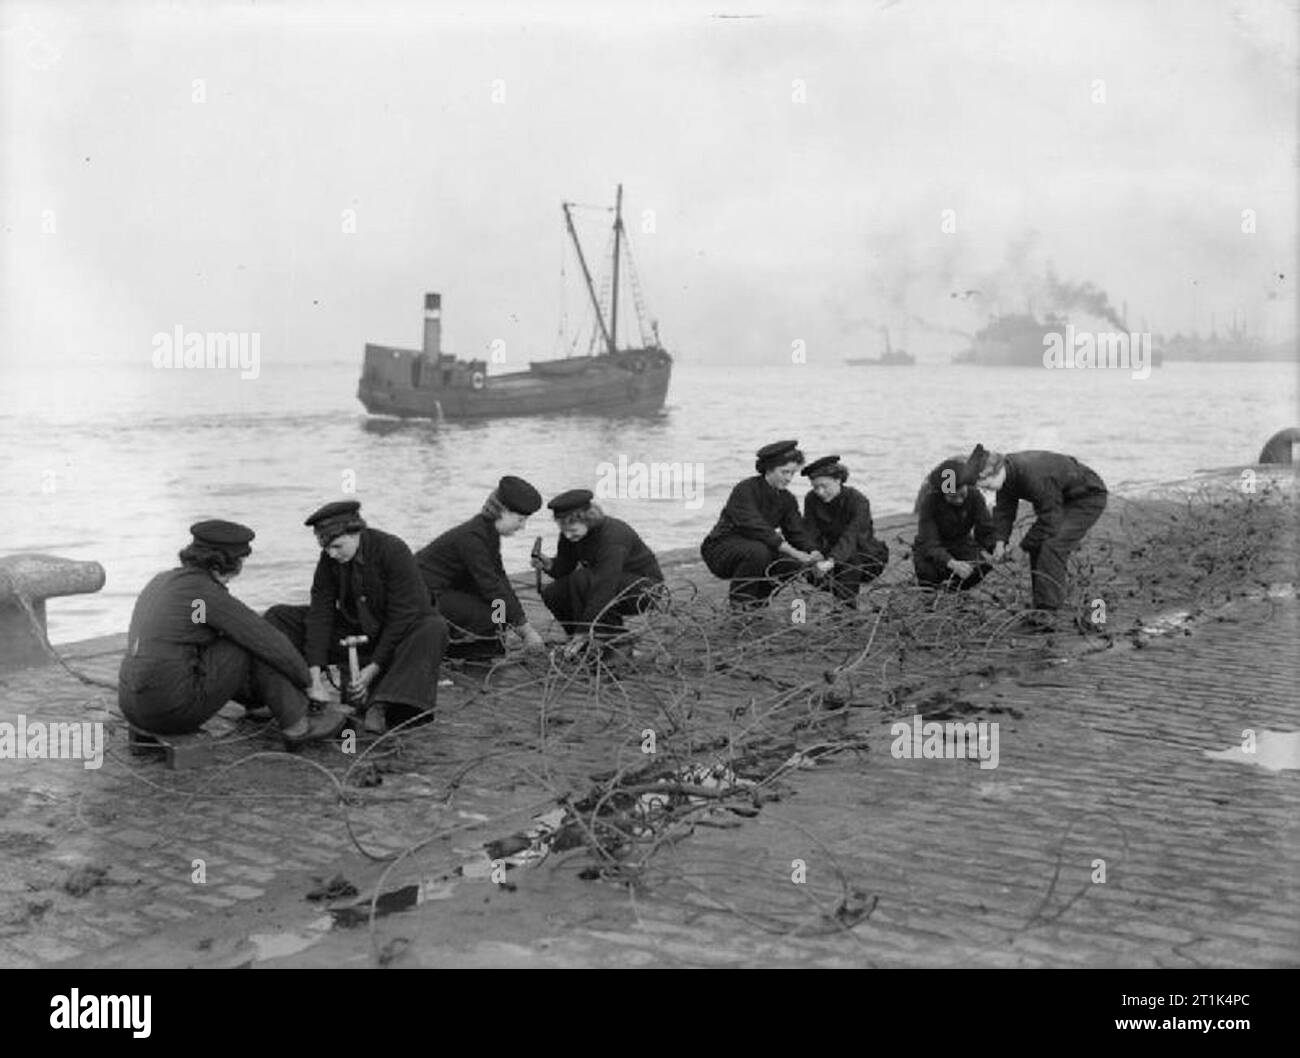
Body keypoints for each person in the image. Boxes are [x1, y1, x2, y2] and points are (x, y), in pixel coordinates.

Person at [118, 520, 345, 748]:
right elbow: (265, 639)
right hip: (170, 712)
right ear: (220, 564)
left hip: (133, 705)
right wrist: (309, 683)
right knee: (249, 641)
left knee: (231, 636)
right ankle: (296, 725)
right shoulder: (203, 592)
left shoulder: (163, 580)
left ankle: (258, 704)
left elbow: (191, 629)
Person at [265, 500, 448, 734]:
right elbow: (320, 612)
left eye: (338, 547)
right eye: (326, 549)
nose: (332, 554)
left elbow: (402, 617)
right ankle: (291, 695)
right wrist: (314, 675)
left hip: (399, 637)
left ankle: (382, 704)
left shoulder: (392, 550)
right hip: (358, 631)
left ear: (356, 533)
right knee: (279, 616)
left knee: (434, 627)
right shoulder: (330, 559)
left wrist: (372, 669)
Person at [969, 445, 1109, 621]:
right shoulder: (1007, 473)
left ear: (996, 471)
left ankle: (1048, 612)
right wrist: (1000, 542)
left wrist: (1022, 548)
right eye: (984, 488)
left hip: (1087, 497)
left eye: (987, 485)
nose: (988, 490)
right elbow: (1004, 511)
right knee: (1038, 544)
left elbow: (1050, 520)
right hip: (1059, 497)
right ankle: (1041, 605)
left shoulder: (1031, 476)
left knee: (1052, 545)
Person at [415, 476, 547, 658]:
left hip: (443, 590)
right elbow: (491, 587)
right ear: (503, 512)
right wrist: (526, 631)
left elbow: (500, 580)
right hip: (422, 596)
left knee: (495, 614)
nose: (523, 527)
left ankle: (489, 647)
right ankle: (458, 651)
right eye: (520, 520)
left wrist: (507, 624)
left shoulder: (486, 532)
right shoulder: (473, 538)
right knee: (487, 615)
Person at [532, 489, 664, 654]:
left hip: (645, 589)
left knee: (583, 580)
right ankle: (579, 645)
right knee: (553, 592)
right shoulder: (571, 534)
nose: (567, 535)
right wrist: (549, 564)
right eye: (563, 530)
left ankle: (615, 643)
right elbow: (565, 568)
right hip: (605, 581)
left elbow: (604, 586)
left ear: (589, 519)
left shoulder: (613, 537)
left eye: (572, 530)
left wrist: (585, 629)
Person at [701, 439, 823, 610]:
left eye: (792, 473)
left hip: (760, 547)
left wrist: (813, 551)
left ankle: (759, 604)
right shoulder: (745, 489)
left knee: (792, 564)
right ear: (769, 469)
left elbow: (796, 532)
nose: (788, 478)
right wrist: (795, 552)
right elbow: (756, 527)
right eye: (784, 472)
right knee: (759, 551)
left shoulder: (787, 499)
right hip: (721, 548)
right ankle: (740, 607)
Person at [799, 455, 890, 607]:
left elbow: (852, 536)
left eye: (824, 486)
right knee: (805, 568)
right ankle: (834, 599)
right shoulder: (811, 499)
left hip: (865, 554)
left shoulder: (858, 501)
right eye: (815, 487)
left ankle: (847, 610)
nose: (820, 492)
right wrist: (813, 554)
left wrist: (831, 561)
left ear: (838, 480)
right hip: (828, 552)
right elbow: (810, 531)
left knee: (849, 563)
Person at [912, 456, 997, 590]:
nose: (959, 501)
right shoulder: (930, 502)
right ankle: (933, 592)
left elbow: (985, 530)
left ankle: (954, 590)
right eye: (952, 497)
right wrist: (951, 563)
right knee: (927, 571)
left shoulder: (975, 496)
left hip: (961, 543)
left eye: (961, 494)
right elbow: (929, 543)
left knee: (983, 565)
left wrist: (995, 548)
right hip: (934, 548)